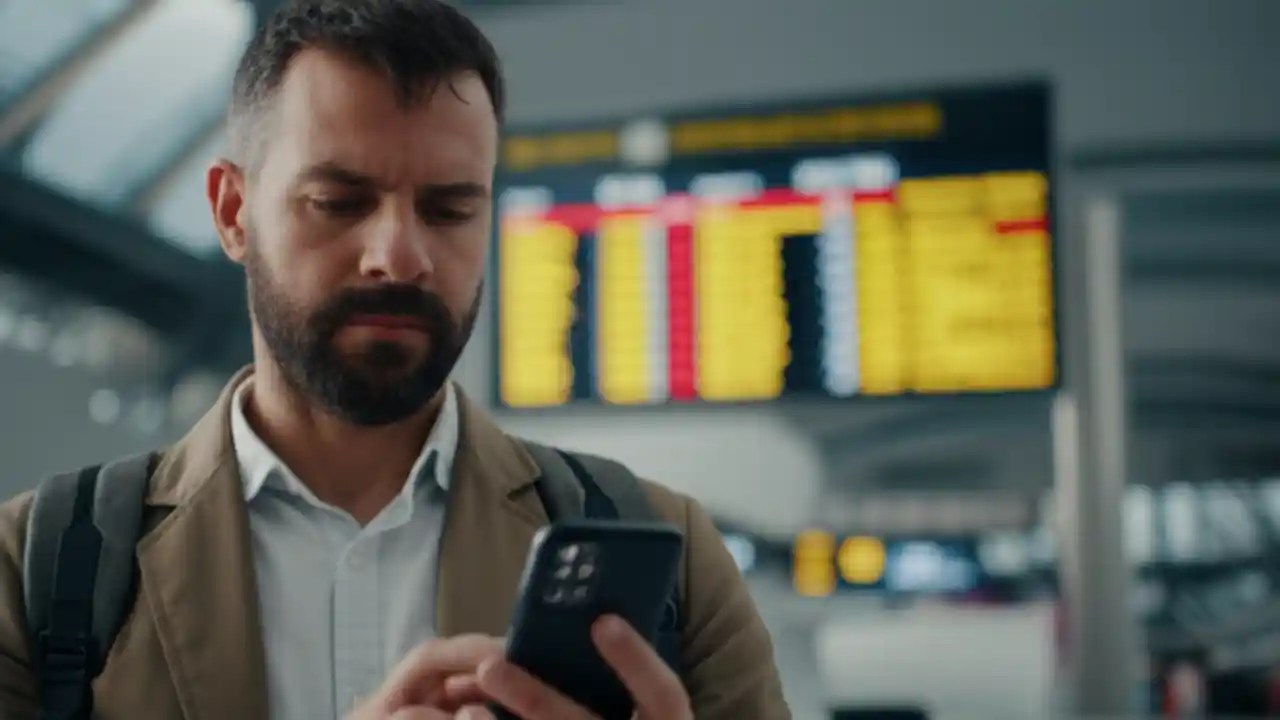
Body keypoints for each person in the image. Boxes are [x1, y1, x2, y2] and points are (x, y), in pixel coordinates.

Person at [0, 1, 790, 719]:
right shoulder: (39, 570)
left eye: (449, 209)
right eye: (339, 203)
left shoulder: (673, 560)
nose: (399, 255)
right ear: (233, 212)